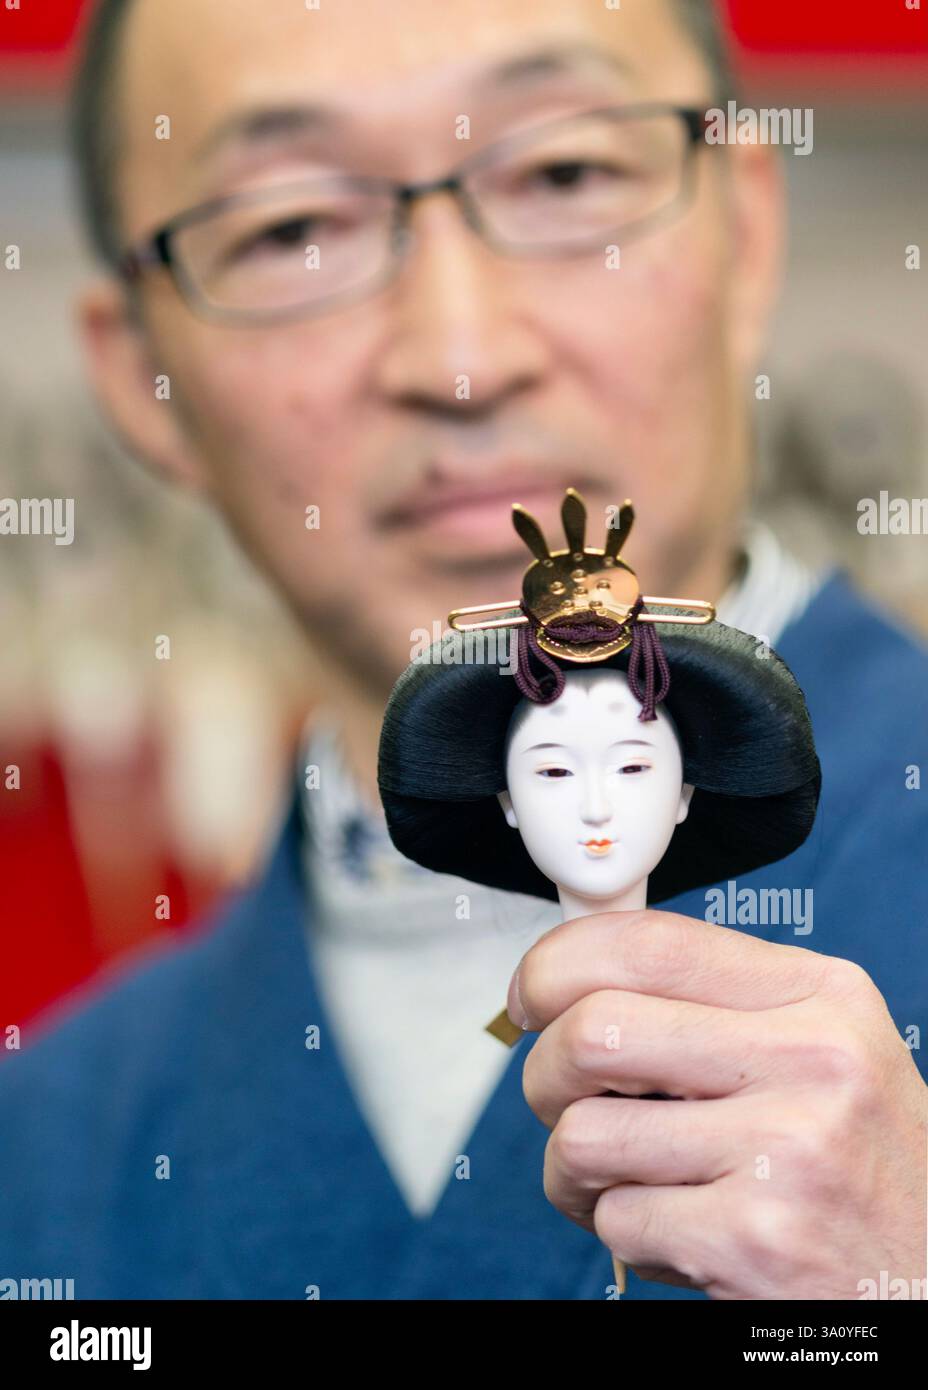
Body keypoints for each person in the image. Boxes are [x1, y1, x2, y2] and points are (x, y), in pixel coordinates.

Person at [0, 0, 925, 1300]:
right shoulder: (42, 1159)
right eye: (292, 227)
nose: (461, 357)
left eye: (565, 171)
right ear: (140, 375)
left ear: (748, 230)